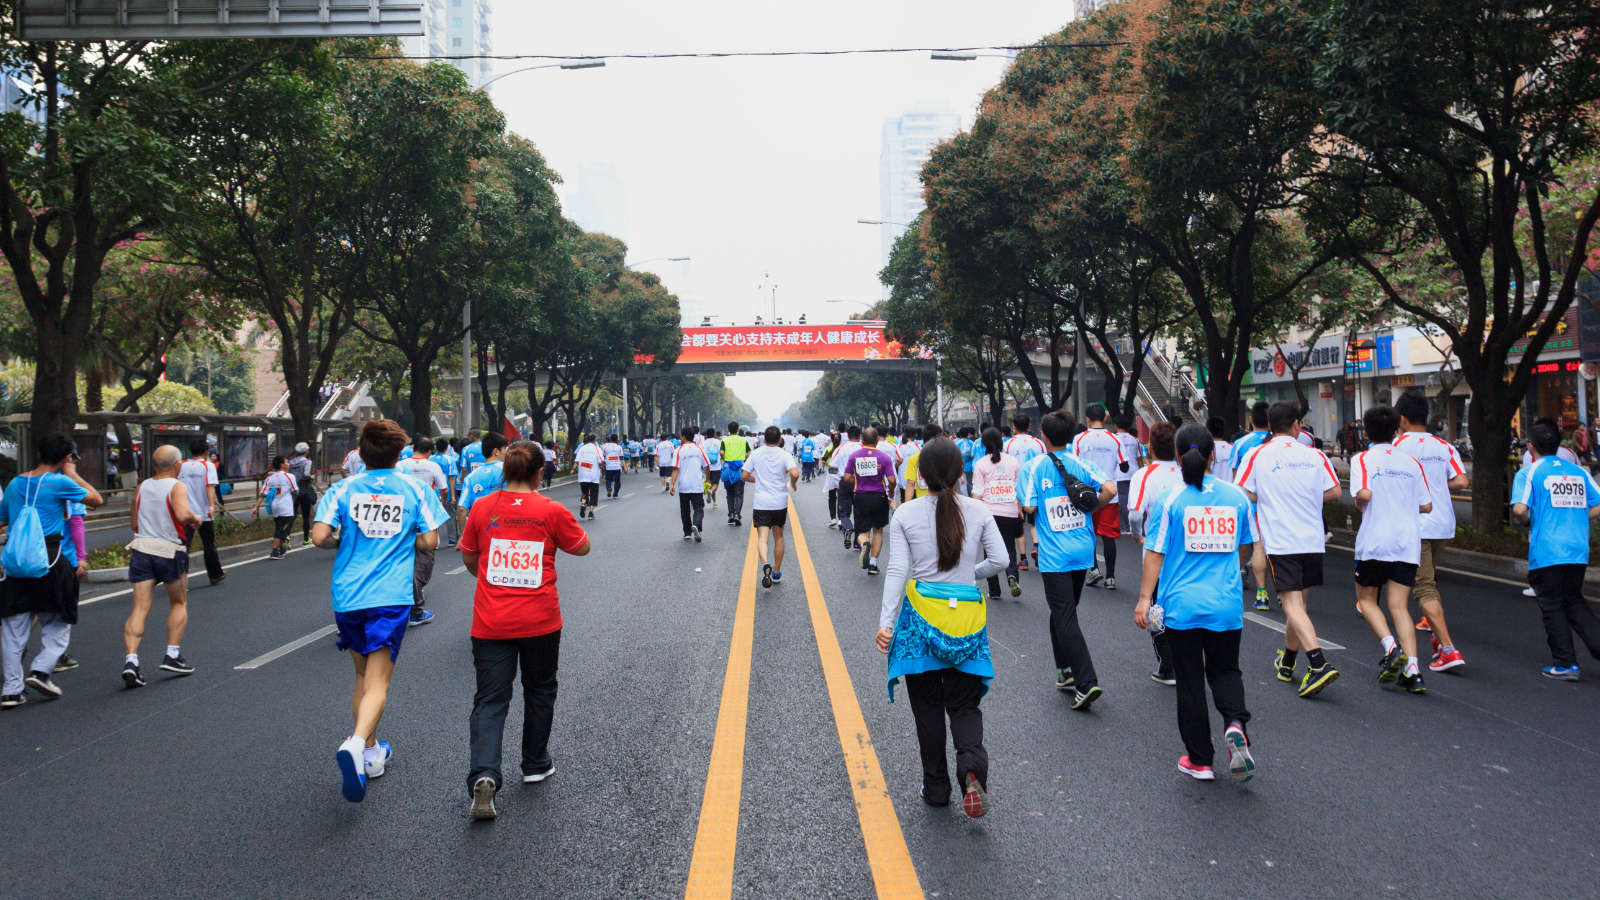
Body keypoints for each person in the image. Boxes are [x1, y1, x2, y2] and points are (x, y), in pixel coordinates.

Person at [312, 419, 448, 803]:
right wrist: (406, 536)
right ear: (399, 452)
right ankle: (356, 744)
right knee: (379, 681)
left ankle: (371, 755)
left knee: (361, 675)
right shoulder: (414, 488)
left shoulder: (342, 488)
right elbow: (430, 540)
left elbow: (320, 536)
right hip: (389, 595)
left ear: (363, 451)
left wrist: (346, 537)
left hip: (348, 593)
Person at [876, 438, 1008, 818]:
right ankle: (971, 769)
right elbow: (999, 559)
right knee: (965, 705)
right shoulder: (979, 510)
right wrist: (969, 577)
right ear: (960, 473)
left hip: (920, 619)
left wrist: (886, 623)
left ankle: (936, 788)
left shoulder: (904, 514)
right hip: (966, 618)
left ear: (920, 475)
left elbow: (898, 571)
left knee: (928, 708)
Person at [459, 443, 591, 820]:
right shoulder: (550, 510)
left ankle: (484, 773)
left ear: (506, 471)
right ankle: (535, 764)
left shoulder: (483, 508)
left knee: (490, 699)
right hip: (540, 621)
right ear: (538, 474)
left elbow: (469, 555)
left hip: (490, 621)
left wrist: (488, 577)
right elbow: (581, 548)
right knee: (540, 688)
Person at [1133, 423, 1258, 784]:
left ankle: (1200, 760)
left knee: (1189, 681)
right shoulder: (1236, 497)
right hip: (1225, 605)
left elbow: (1154, 553)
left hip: (1182, 608)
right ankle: (1235, 724)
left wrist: (1144, 600)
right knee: (1226, 671)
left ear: (1176, 456)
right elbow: (1245, 547)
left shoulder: (1172, 500)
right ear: (1214, 456)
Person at [1236, 401, 1343, 698]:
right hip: (1312, 539)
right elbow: (1335, 491)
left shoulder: (1257, 454)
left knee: (1291, 605)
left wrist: (1266, 496)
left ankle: (1318, 663)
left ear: (1269, 427)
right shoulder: (1314, 454)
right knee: (1299, 606)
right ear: (1297, 425)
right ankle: (1288, 663)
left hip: (1282, 540)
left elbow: (1242, 490)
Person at [1020, 413, 1116, 710]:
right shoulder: (1082, 464)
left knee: (1065, 614)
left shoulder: (1034, 466)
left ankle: (1085, 682)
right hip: (1083, 550)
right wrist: (1088, 507)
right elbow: (1110, 491)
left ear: (1044, 436)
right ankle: (1063, 670)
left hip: (1055, 554)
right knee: (1064, 609)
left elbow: (1028, 505)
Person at [1, 434, 105, 707]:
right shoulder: (60, 482)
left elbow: (2, 519)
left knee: (13, 628)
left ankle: (11, 689)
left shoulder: (14, 484)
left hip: (14, 564)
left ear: (38, 454)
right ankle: (41, 670)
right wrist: (73, 474)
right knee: (58, 620)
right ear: (66, 458)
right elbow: (96, 500)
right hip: (49, 559)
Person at [1349, 406, 1433, 694]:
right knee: (1400, 606)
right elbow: (1427, 505)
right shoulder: (1412, 463)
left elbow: (1362, 495)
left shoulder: (1362, 459)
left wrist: (1365, 499)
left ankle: (1390, 647)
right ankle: (1414, 670)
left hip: (1374, 541)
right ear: (1397, 430)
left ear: (1366, 432)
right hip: (1407, 543)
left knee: (1367, 601)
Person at [1510, 419, 1600, 680]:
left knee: (1551, 604)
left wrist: (1531, 519)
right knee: (1573, 601)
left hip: (1548, 549)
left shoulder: (1529, 472)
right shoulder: (1578, 471)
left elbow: (1519, 509)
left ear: (1530, 447)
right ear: (1559, 444)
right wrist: (1581, 516)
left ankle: (1565, 663)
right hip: (1577, 549)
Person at [1392, 393, 1470, 672]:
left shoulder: (1396, 446)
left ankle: (1448, 648)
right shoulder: (1444, 446)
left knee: (1424, 587)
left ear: (1401, 419)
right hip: (1443, 524)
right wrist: (1438, 483)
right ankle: (1438, 640)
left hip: (1416, 525)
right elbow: (1461, 480)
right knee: (1430, 580)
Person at [123, 444, 205, 688]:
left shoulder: (142, 486)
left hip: (141, 549)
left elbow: (133, 522)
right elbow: (181, 515)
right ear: (177, 465)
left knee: (139, 608)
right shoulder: (177, 486)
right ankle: (172, 654)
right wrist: (195, 518)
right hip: (169, 551)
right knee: (178, 603)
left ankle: (131, 661)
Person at [1128, 422, 1184, 685]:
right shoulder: (1188, 472)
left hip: (1157, 553)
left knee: (1155, 608)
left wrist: (1138, 534)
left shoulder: (1144, 475)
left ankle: (1167, 665)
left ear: (1150, 447)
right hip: (1188, 553)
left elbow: (1136, 513)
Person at [1072, 404, 1129, 590]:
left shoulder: (1079, 439)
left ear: (1087, 419)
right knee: (1108, 536)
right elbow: (1125, 466)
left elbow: (1074, 465)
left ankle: (1094, 569)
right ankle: (1111, 577)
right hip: (1109, 494)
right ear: (1105, 418)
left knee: (1088, 533)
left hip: (1086, 494)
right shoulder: (1115, 439)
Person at [398, 438, 450, 627]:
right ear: (430, 451)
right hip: (426, 514)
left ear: (413, 448)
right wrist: (441, 501)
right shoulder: (433, 465)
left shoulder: (400, 465)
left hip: (402, 515)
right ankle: (415, 604)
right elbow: (443, 488)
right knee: (425, 554)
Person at [743, 426, 800, 588]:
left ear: (764, 439)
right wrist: (793, 484)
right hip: (779, 502)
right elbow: (795, 474)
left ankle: (765, 563)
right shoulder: (785, 455)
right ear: (780, 439)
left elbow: (744, 475)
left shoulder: (756, 453)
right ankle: (776, 572)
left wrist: (757, 481)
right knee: (779, 537)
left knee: (762, 537)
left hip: (761, 502)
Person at [971, 426, 1023, 600]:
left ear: (983, 444)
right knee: (1009, 548)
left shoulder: (981, 464)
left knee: (990, 552)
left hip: (989, 513)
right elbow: (1018, 488)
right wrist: (1019, 508)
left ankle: (994, 590)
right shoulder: (1013, 462)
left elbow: (977, 493)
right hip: (1010, 511)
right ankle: (1012, 576)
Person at [1230, 403, 1273, 612]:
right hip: (1280, 505)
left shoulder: (1241, 443)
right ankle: (1288, 594)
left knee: (1257, 546)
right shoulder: (1280, 443)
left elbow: (1236, 477)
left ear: (1251, 420)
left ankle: (1262, 593)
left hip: (1252, 503)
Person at [843, 427, 898, 576]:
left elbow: (846, 478)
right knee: (878, 530)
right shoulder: (884, 457)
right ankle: (873, 563)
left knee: (862, 531)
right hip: (879, 497)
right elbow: (892, 480)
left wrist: (858, 477)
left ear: (862, 439)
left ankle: (864, 543)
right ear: (876, 440)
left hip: (860, 497)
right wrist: (891, 490)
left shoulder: (854, 456)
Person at [179, 437, 227, 586]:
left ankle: (180, 580)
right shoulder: (208, 466)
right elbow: (210, 487)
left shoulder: (182, 465)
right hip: (204, 512)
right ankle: (215, 575)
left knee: (183, 547)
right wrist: (212, 506)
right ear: (206, 451)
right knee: (209, 545)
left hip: (185, 512)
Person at [1003, 415, 1047, 572]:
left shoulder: (1008, 444)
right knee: (1035, 521)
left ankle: (1022, 559)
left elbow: (1006, 465)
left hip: (1015, 489)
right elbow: (1044, 463)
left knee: (1019, 525)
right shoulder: (1038, 443)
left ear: (1014, 426)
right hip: (1035, 487)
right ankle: (1037, 546)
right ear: (1029, 426)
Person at [253, 455, 298, 560]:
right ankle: (275, 550)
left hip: (274, 506)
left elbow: (263, 494)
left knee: (279, 525)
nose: (288, 464)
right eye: (286, 462)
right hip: (286, 506)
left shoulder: (270, 478)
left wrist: (256, 507)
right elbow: (295, 491)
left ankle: (281, 548)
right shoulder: (289, 476)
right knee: (284, 527)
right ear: (282, 465)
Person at [671, 427, 712, 542]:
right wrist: (708, 479)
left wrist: (672, 485)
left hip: (683, 485)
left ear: (683, 436)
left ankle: (687, 532)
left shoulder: (678, 450)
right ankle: (697, 525)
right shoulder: (699, 449)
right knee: (698, 508)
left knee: (685, 510)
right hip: (697, 484)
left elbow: (675, 469)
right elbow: (707, 466)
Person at [461, 433, 510, 515]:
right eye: (504, 448)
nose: (506, 452)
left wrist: (463, 528)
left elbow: (461, 509)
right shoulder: (509, 470)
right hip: (503, 522)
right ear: (496, 451)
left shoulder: (470, 477)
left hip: (479, 523)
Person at [833, 425, 863, 547]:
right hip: (861, 483)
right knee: (860, 513)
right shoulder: (864, 448)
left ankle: (848, 527)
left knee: (843, 512)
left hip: (845, 482)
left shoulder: (841, 448)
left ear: (848, 436)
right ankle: (857, 543)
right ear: (860, 436)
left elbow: (833, 465)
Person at [1113, 414, 1144, 534]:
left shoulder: (1113, 438)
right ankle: (1135, 526)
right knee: (1134, 500)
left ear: (1115, 425)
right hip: (1134, 473)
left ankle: (1126, 527)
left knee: (1122, 501)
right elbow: (1139, 458)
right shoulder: (1134, 439)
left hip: (1119, 474)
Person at [901, 424, 944, 502]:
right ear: (940, 437)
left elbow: (910, 483)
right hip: (943, 501)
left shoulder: (915, 458)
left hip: (922, 501)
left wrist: (907, 505)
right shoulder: (946, 457)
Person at [720, 422, 751, 526]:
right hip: (739, 469)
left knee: (729, 494)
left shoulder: (724, 440)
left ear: (728, 430)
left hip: (728, 468)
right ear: (738, 430)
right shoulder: (743, 440)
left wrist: (726, 460)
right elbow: (749, 452)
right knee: (739, 494)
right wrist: (743, 459)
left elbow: (721, 453)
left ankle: (731, 515)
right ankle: (737, 515)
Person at [289, 441, 319, 546]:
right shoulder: (307, 461)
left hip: (294, 491)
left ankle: (286, 538)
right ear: (306, 451)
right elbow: (306, 475)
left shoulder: (291, 462)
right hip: (304, 490)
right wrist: (312, 477)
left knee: (293, 514)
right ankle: (306, 539)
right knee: (305, 516)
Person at [574, 434, 603, 519]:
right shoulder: (597, 449)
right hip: (593, 476)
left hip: (583, 475)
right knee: (594, 495)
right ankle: (590, 512)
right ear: (594, 440)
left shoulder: (581, 448)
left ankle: (583, 504)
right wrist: (602, 466)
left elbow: (577, 461)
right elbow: (600, 461)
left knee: (584, 493)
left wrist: (573, 469)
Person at [1206, 417, 1234, 484]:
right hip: (1230, 489)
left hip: (1212, 488)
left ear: (1207, 430)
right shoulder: (1233, 449)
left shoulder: (1206, 449)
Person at [703, 428, 723, 509]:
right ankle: (711, 492)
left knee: (710, 483)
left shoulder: (704, 443)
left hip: (707, 467)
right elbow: (722, 453)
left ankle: (715, 503)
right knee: (715, 484)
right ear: (714, 434)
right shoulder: (718, 442)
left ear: (706, 434)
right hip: (717, 466)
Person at [601, 434, 624, 500]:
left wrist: (603, 466)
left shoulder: (605, 447)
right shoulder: (619, 447)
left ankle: (609, 488)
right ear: (617, 440)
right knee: (617, 481)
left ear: (610, 439)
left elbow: (603, 457)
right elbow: (621, 458)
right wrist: (624, 467)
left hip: (609, 466)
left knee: (608, 479)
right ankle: (615, 494)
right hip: (617, 467)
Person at [957, 426, 979, 496]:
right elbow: (974, 455)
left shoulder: (956, 443)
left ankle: (964, 498)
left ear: (960, 435)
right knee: (970, 483)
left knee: (962, 484)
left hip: (959, 466)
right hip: (970, 467)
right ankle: (971, 497)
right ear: (968, 434)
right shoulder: (972, 443)